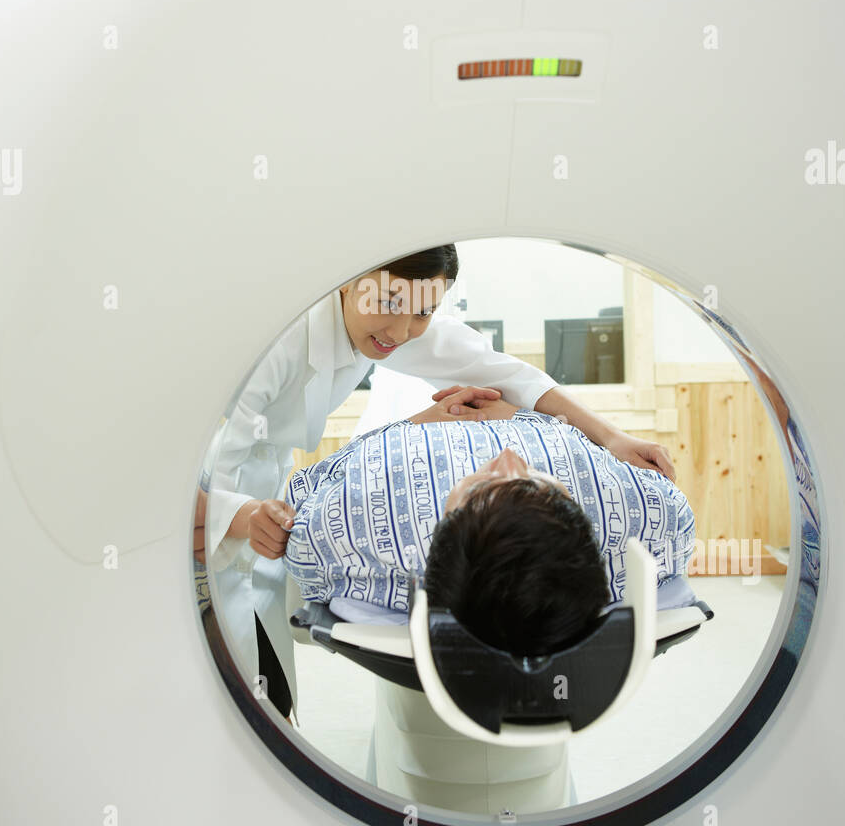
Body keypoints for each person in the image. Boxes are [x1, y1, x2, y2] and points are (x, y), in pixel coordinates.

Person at [195, 244, 675, 711]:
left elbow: (503, 372)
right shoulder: (279, 336)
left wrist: (611, 439)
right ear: (345, 281)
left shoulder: (388, 327)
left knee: (261, 682)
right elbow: (190, 466)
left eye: (423, 312)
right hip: (200, 497)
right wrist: (235, 514)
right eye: (387, 303)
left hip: (264, 497)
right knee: (211, 677)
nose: (402, 329)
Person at [283, 402, 698, 656]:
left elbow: (310, 483)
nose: (507, 457)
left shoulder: (343, 525)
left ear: (440, 538)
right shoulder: (648, 515)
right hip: (523, 406)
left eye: (479, 487)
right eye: (539, 482)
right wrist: (523, 415)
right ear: (578, 514)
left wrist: (419, 420)